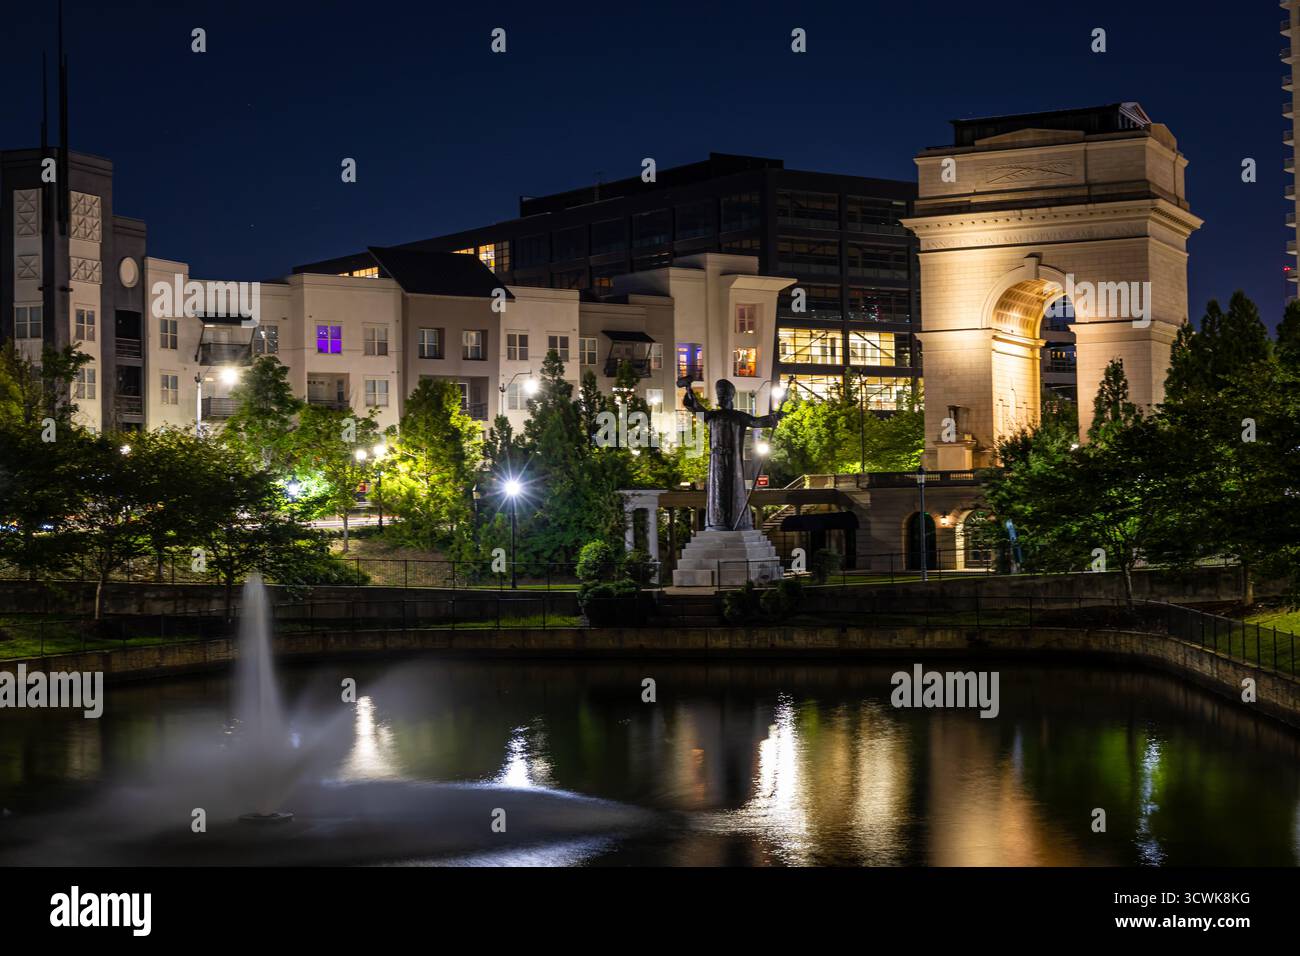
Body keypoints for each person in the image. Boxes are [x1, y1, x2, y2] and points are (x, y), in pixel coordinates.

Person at [677, 377, 782, 531]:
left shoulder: (738, 416)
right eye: (720, 397)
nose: (722, 399)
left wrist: (773, 418)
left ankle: (735, 521)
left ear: (730, 398)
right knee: (718, 492)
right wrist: (689, 391)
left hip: (733, 462)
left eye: (724, 396)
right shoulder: (712, 416)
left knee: (733, 490)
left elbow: (756, 422)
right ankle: (717, 523)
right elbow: (695, 408)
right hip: (717, 462)